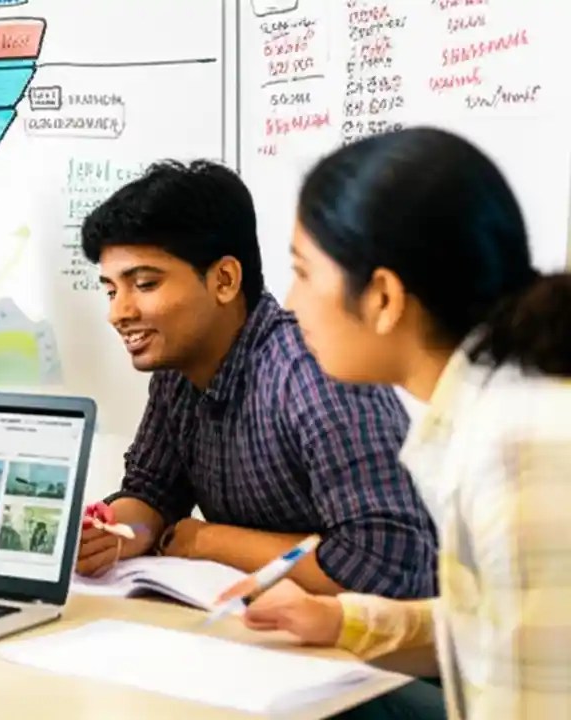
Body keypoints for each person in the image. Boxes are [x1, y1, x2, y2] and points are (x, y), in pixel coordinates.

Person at [237, 128, 571, 719]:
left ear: (384, 298)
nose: (290, 303)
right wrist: (341, 620)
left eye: (304, 272)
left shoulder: (517, 454)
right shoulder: (492, 411)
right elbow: (494, 627)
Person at [75, 159, 437, 600]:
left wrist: (206, 541)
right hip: (262, 624)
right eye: (111, 290)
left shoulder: (315, 374)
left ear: (225, 280)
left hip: (374, 635)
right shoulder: (177, 373)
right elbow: (152, 493)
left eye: (145, 284)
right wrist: (117, 532)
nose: (118, 313)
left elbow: (387, 565)